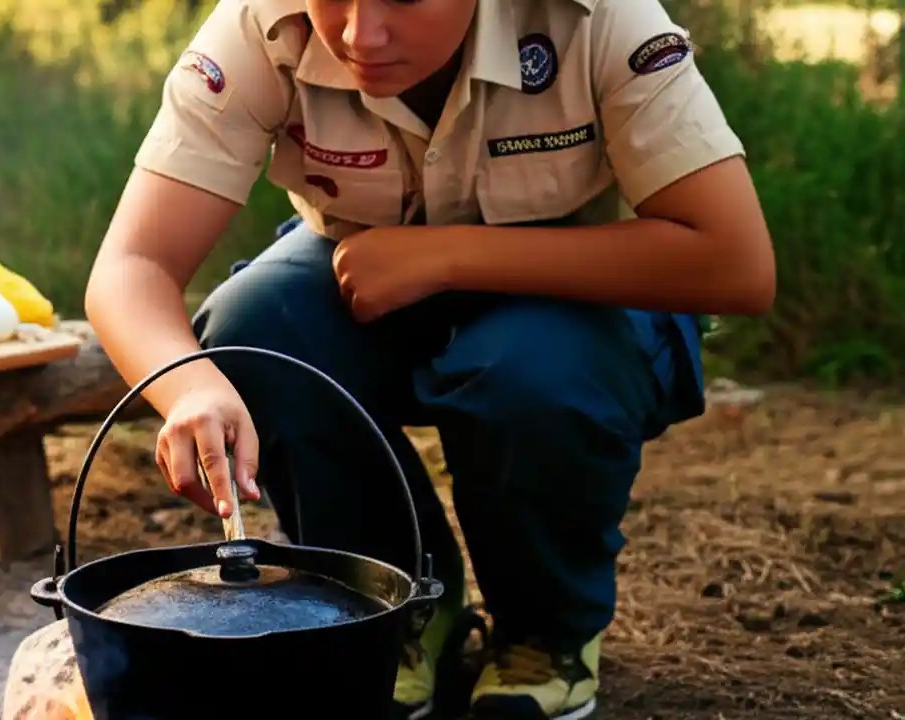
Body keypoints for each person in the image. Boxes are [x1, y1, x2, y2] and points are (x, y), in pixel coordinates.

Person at [83, 0, 775, 716]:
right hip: (356, 267)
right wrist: (191, 388)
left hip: (570, 289)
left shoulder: (601, 17)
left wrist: (444, 257)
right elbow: (134, 265)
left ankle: (546, 634)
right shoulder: (262, 22)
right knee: (251, 332)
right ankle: (392, 605)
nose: (361, 35)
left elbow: (737, 263)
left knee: (534, 376)